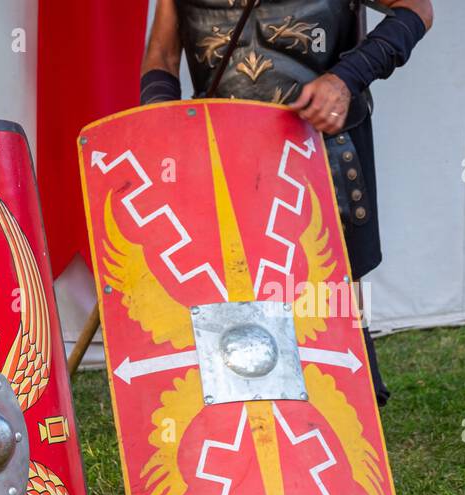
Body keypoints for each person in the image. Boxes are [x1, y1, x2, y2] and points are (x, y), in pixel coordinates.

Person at [140, 0, 434, 406]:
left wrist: (345, 79)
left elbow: (417, 10)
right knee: (226, 284)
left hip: (320, 146)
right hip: (222, 144)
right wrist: (161, 126)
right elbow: (163, 54)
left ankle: (351, 404)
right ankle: (240, 404)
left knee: (331, 288)